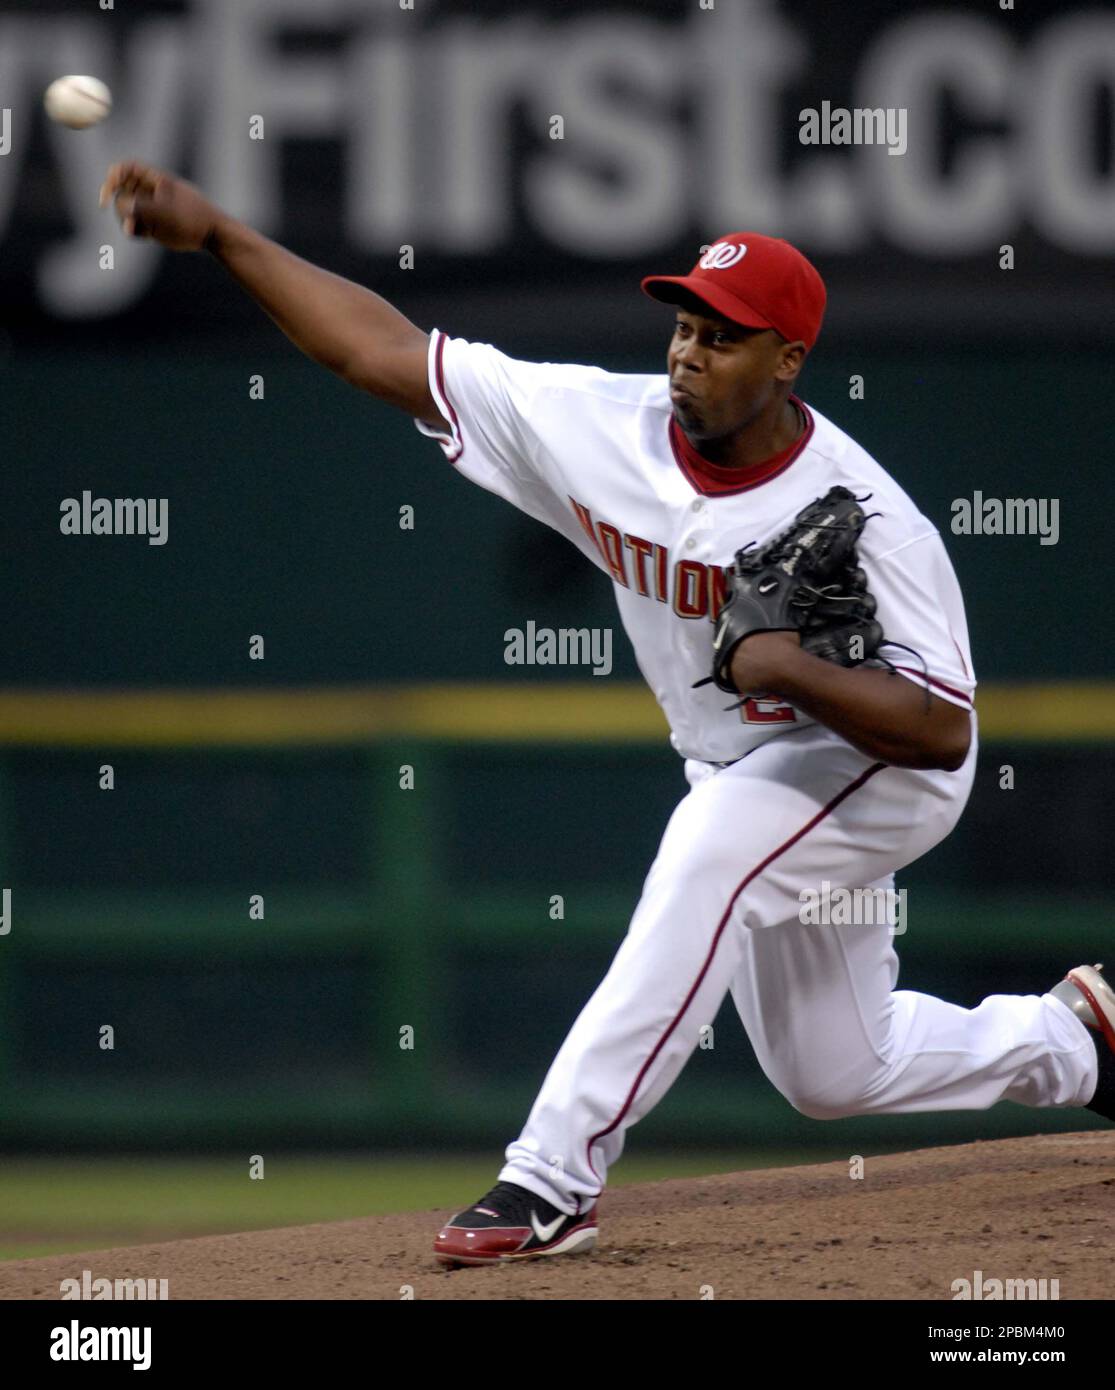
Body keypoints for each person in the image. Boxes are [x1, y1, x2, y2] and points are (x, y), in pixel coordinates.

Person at [99, 162, 1115, 1270]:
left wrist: (793, 667)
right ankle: (1078, 1035)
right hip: (736, 762)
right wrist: (223, 235)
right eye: (682, 324)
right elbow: (375, 351)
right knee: (834, 1071)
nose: (686, 351)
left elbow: (942, 733)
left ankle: (550, 1177)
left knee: (707, 854)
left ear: (787, 362)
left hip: (873, 764)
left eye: (722, 337)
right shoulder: (593, 425)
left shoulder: (871, 519)